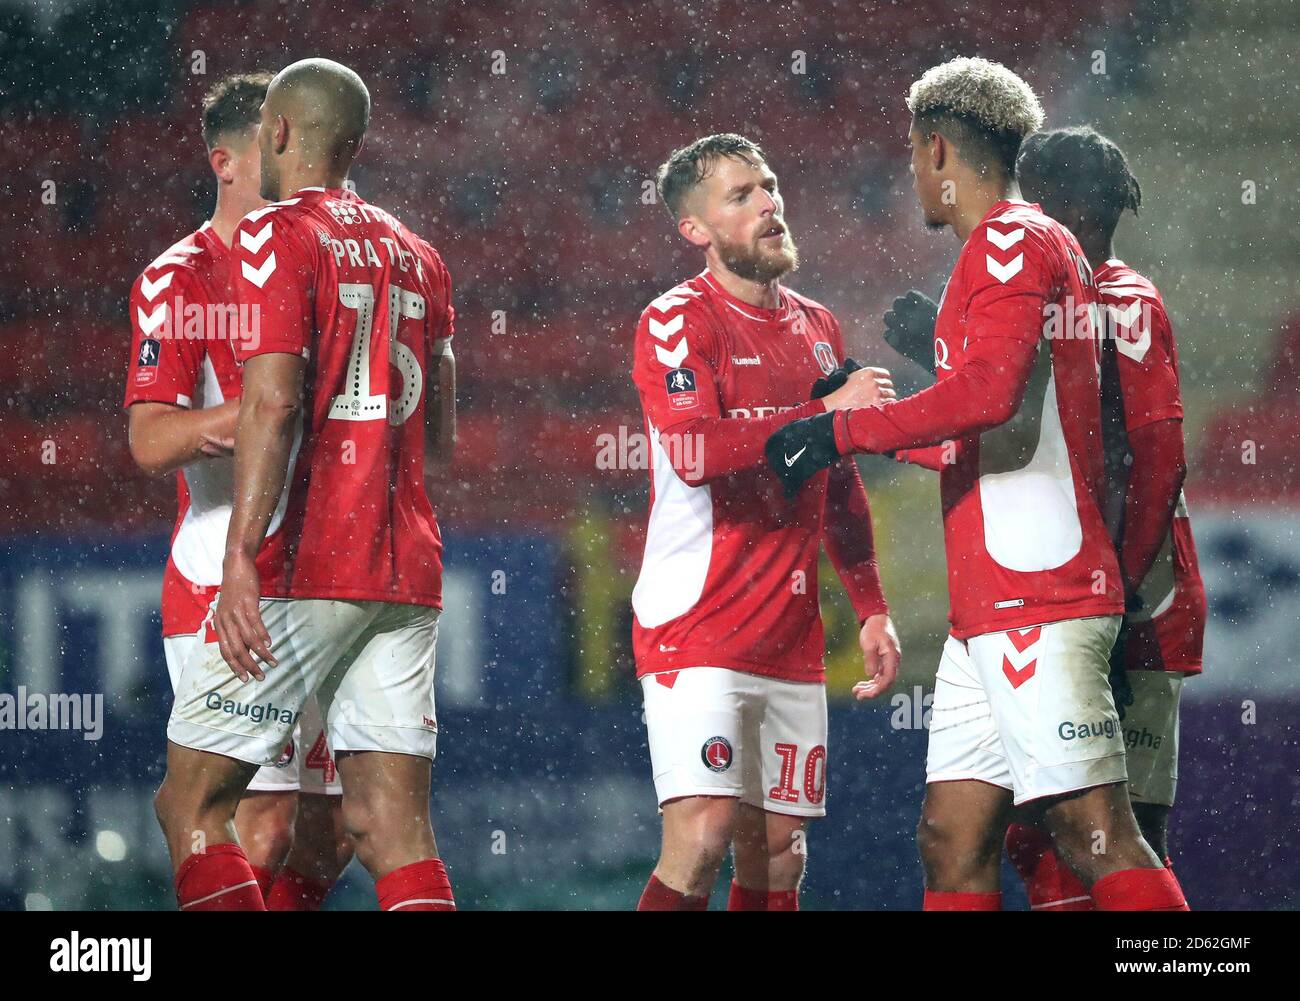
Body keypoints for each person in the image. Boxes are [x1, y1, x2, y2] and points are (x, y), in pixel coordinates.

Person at [768, 58, 1188, 910]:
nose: (912, 173)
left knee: (1091, 829)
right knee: (953, 839)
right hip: (989, 608)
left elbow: (986, 397)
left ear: (936, 149)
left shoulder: (1008, 240)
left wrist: (837, 432)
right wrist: (866, 433)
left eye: (912, 155)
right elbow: (994, 438)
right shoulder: (1016, 247)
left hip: (1038, 591)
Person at [153, 57, 457, 912]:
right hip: (405, 573)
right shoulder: (419, 253)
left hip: (309, 563)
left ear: (277, 133)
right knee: (391, 830)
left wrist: (243, 554)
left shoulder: (273, 236)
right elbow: (442, 430)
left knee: (192, 803)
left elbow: (274, 401)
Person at [631, 134, 900, 911]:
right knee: (704, 832)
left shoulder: (819, 326)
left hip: (790, 630)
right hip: (699, 618)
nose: (770, 205)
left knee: (779, 854)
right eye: (742, 196)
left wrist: (872, 605)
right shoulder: (676, 321)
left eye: (771, 187)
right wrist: (823, 413)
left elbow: (839, 479)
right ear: (696, 230)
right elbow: (692, 450)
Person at [125, 71, 353, 909]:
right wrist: (262, 414)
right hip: (225, 572)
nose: (297, 155)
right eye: (275, 140)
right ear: (227, 161)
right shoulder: (180, 279)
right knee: (254, 820)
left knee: (333, 830)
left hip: (330, 569)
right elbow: (149, 438)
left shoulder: (329, 255)